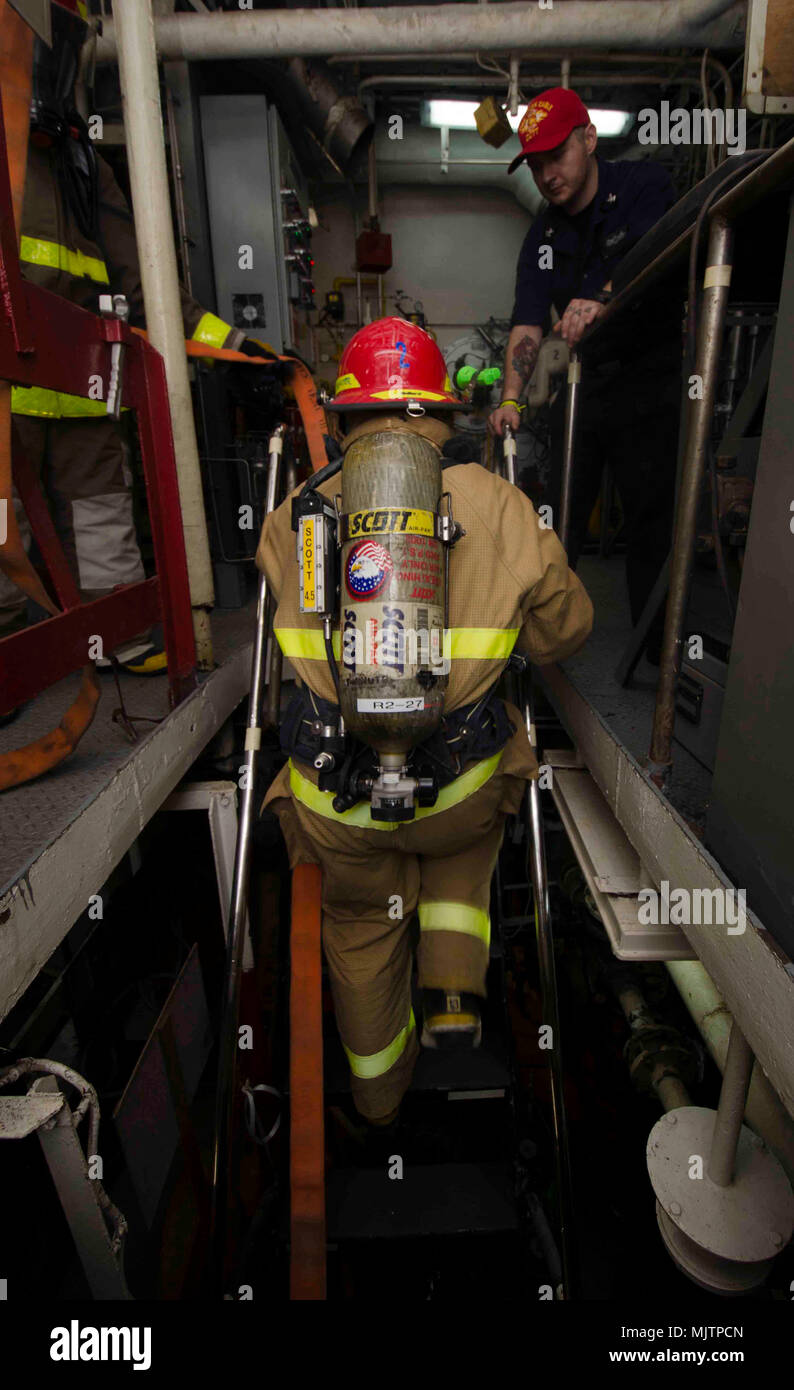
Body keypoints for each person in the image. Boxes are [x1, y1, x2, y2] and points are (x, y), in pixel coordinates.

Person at [256, 317, 593, 1126]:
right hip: (457, 793)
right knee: (458, 863)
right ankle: (451, 1001)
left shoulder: (292, 520)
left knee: (362, 926)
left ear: (344, 415)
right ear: (444, 412)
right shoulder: (499, 502)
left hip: (336, 807)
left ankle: (376, 1096)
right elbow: (567, 629)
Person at [0, 0, 254, 674]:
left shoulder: (86, 168)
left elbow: (153, 289)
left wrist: (238, 346)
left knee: (102, 516)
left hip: (83, 397)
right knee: (1, 533)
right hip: (6, 399)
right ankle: (9, 662)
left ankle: (116, 636)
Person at [490, 87, 682, 662]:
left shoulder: (646, 189)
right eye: (537, 164)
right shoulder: (542, 238)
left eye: (558, 155)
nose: (548, 174)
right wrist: (512, 400)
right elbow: (528, 327)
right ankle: (553, 650)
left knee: (652, 517)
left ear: (589, 139)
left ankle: (657, 659)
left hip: (651, 379)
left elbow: (664, 251)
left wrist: (605, 296)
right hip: (584, 387)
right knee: (558, 518)